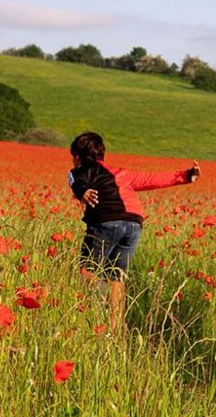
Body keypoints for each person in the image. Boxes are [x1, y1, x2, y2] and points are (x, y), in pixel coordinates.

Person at [68, 131, 200, 330]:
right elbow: (152, 179)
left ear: (77, 156)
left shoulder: (79, 170)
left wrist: (83, 192)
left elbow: (77, 181)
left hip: (107, 221)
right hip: (134, 223)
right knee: (117, 278)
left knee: (87, 271)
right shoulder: (121, 173)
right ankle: (114, 329)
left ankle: (102, 304)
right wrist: (186, 175)